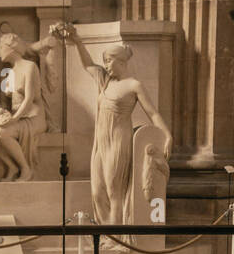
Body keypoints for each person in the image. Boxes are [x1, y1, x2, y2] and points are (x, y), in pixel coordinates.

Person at [67, 28, 172, 227]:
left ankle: (115, 237)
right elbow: (88, 64)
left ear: (121, 61)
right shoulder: (104, 81)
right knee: (98, 192)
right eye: (105, 61)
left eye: (109, 60)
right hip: (100, 143)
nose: (105, 65)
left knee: (114, 192)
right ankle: (107, 231)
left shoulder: (133, 85)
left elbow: (153, 113)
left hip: (118, 141)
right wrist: (77, 40)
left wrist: (167, 135)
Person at [0, 33, 45, 181]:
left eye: (1, 48)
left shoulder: (30, 67)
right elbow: (4, 105)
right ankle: (11, 166)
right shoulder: (8, 72)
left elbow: (29, 98)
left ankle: (25, 169)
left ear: (11, 48)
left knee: (0, 134)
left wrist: (13, 119)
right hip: (16, 117)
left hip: (33, 117)